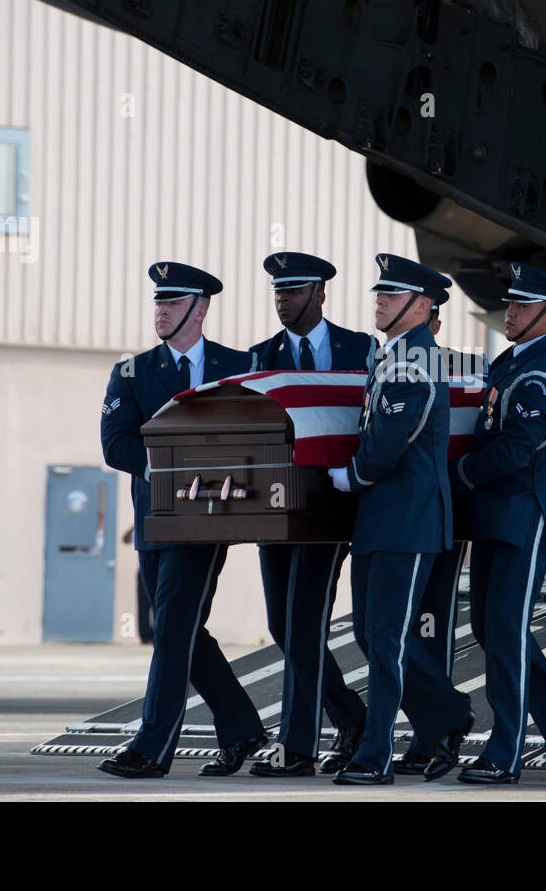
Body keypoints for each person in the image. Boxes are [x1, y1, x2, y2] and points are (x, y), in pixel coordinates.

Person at [97, 262, 267, 778]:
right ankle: (242, 727)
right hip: (155, 518)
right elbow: (115, 444)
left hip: (208, 521)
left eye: (172, 303)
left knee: (172, 626)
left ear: (201, 308)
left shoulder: (239, 366)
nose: (161, 310)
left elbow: (259, 436)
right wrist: (169, 465)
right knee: (180, 629)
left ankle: (152, 748)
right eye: (158, 303)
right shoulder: (132, 371)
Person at [325, 254, 473, 784]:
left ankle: (376, 756)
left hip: (406, 519)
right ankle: (447, 716)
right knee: (371, 633)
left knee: (385, 637)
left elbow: (389, 443)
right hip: (382, 519)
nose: (380, 300)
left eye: (392, 294)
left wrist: (352, 476)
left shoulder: (416, 362)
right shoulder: (395, 357)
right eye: (379, 292)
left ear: (422, 305)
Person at [450, 263, 546, 784]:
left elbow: (514, 448)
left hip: (526, 514)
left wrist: (458, 473)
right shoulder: (515, 359)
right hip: (498, 513)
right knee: (489, 629)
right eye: (509, 303)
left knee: (506, 630)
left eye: (521, 305)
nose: (508, 311)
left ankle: (506, 751)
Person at [246, 252, 375, 777]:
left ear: (320, 294)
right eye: (278, 293)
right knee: (284, 624)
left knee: (303, 622)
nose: (284, 301)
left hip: (331, 510)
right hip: (276, 512)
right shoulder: (260, 356)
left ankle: (296, 748)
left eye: (294, 292)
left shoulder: (361, 349)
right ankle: (350, 716)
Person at [390, 302, 487, 776]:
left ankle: (435, 733)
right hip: (409, 514)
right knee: (400, 632)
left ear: (434, 320)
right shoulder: (391, 362)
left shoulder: (468, 369)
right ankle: (435, 726)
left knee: (432, 626)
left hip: (445, 513)